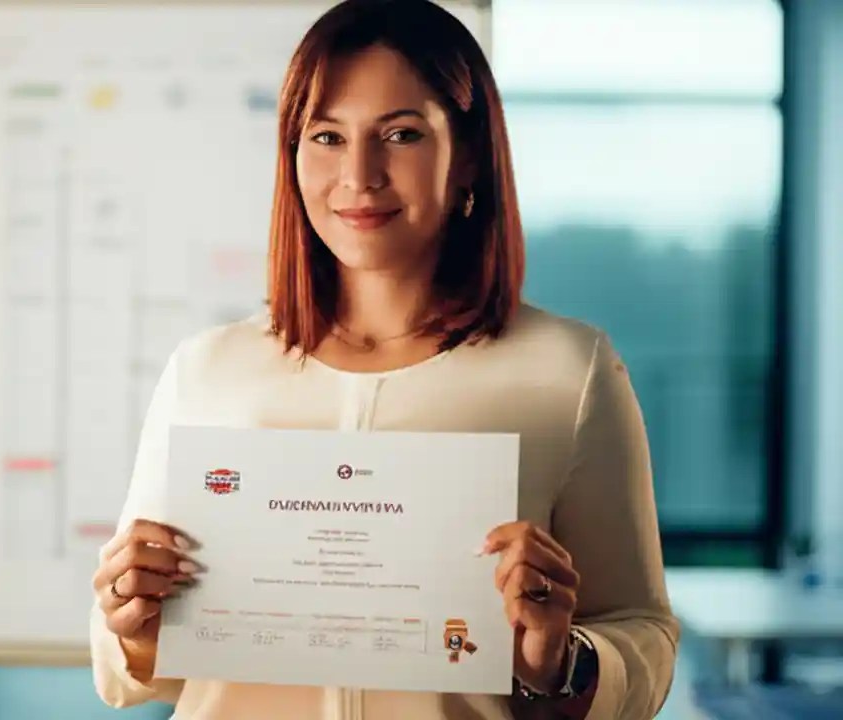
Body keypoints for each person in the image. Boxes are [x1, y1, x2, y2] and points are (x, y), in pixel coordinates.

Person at [89, 0, 679, 718]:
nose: (359, 174)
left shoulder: (566, 370)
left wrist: (562, 661)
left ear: (466, 157)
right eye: (327, 136)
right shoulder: (208, 370)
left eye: (400, 134)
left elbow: (643, 635)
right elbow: (127, 671)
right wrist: (133, 622)